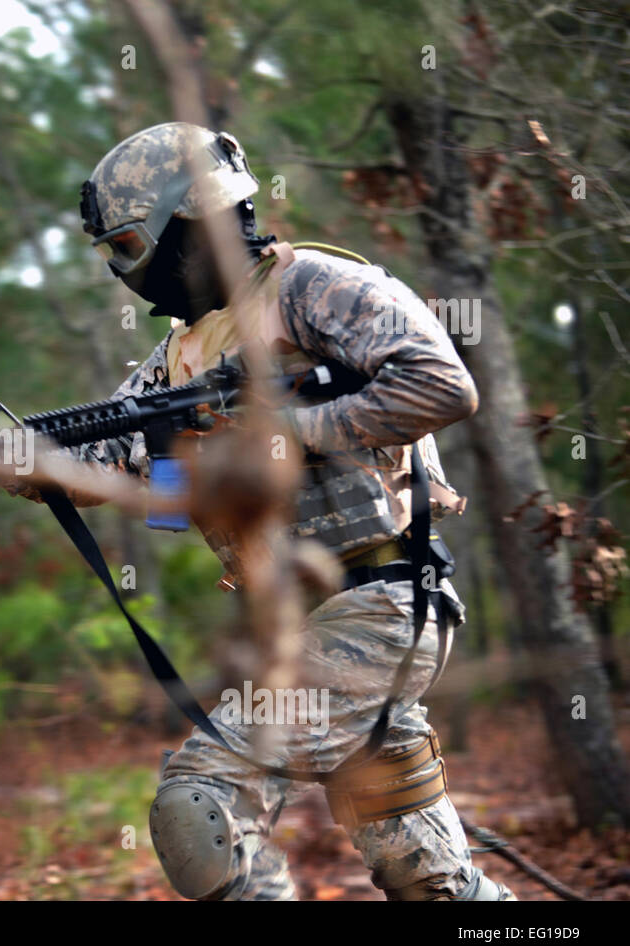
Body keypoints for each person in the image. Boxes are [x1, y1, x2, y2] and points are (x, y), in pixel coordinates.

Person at [63, 121, 517, 901]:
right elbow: (82, 460)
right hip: (305, 627)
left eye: (130, 246)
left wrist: (282, 434)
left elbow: (443, 384)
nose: (121, 272)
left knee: (198, 802)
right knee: (432, 880)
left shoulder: (309, 286)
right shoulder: (178, 356)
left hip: (377, 606)